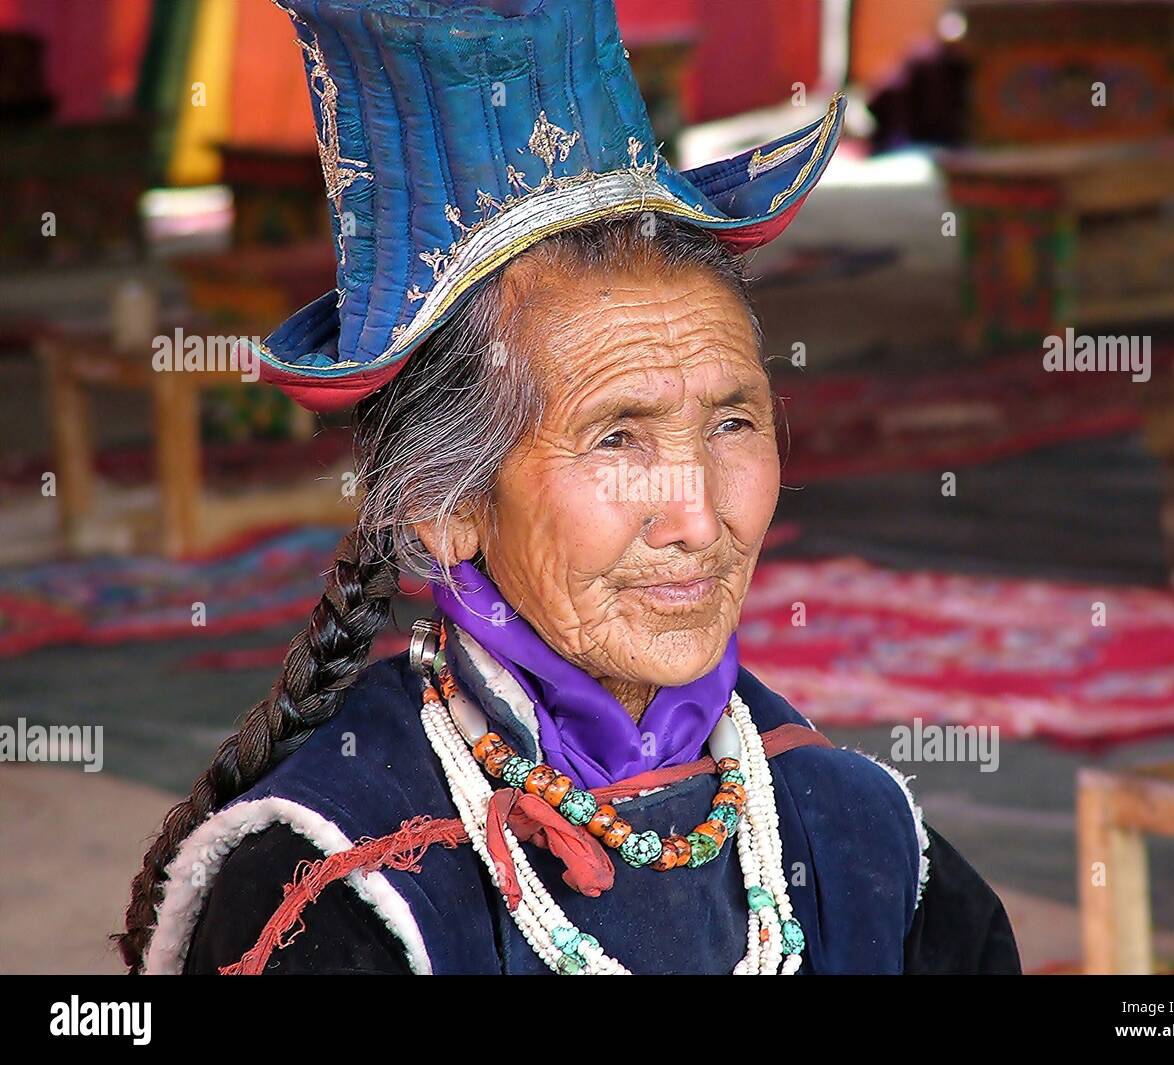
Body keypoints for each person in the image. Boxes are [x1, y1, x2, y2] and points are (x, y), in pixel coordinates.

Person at [116, 0, 1019, 976]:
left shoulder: (860, 839)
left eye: (731, 422)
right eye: (616, 438)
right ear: (444, 504)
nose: (698, 517)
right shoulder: (335, 885)